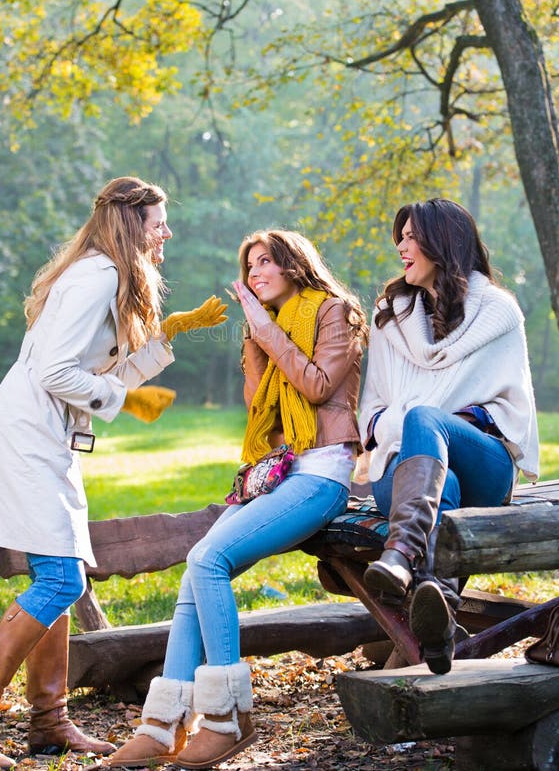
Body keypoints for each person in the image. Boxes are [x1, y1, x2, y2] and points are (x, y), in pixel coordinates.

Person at [0, 176, 228, 770]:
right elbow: (58, 373)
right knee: (58, 580)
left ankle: (49, 723)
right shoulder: (99, 276)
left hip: (48, 440)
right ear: (132, 225)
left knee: (63, 575)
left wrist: (165, 337)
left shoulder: (105, 274)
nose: (167, 232)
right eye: (159, 222)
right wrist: (124, 399)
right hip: (29, 438)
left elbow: (93, 370)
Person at [104, 229, 368, 770]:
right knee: (193, 577)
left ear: (296, 266)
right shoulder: (264, 330)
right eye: (250, 266)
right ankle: (161, 726)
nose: (255, 274)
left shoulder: (332, 312)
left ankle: (227, 718)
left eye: (266, 262)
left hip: (322, 474)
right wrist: (256, 339)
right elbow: (260, 414)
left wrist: (267, 330)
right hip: (279, 473)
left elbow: (318, 388)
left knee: (207, 558)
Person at [359, 198, 539, 674]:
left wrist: (434, 418)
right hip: (403, 471)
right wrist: (410, 421)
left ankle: (398, 554)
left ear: (445, 243)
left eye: (411, 236)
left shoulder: (498, 312)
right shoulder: (390, 317)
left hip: (485, 462)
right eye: (399, 236)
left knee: (425, 417)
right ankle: (439, 620)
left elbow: (511, 412)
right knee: (442, 477)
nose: (400, 246)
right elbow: (371, 416)